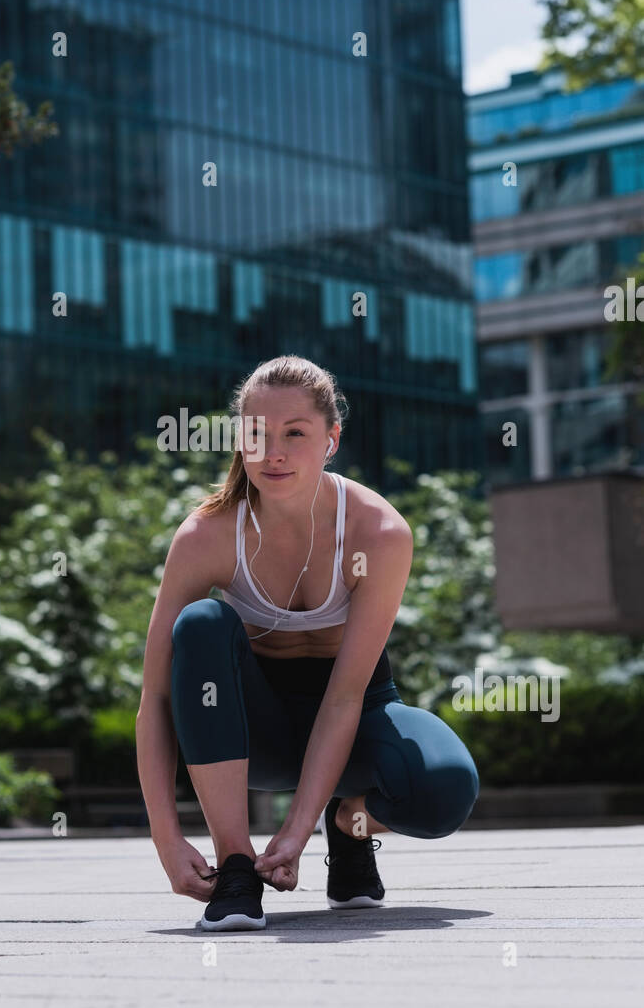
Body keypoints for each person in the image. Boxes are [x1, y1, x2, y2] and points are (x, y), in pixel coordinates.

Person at [135, 355, 480, 931]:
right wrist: (166, 840)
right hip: (251, 732)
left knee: (445, 790)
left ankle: (347, 828)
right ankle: (237, 865)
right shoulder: (207, 536)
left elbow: (345, 698)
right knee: (199, 623)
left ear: (331, 439)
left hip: (354, 719)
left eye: (295, 433)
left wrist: (299, 830)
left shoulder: (379, 533)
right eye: (257, 434)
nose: (274, 452)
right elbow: (155, 700)